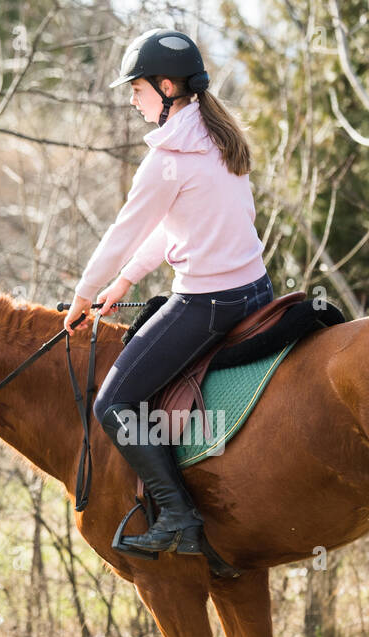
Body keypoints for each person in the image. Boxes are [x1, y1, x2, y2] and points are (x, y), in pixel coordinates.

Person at [63, 28, 273, 557]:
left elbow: (122, 232)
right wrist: (126, 280)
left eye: (136, 91)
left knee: (114, 402)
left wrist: (83, 296)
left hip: (209, 303)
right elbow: (174, 226)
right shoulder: (217, 137)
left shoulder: (165, 159)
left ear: (165, 87)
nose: (133, 102)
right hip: (256, 289)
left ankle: (178, 515)